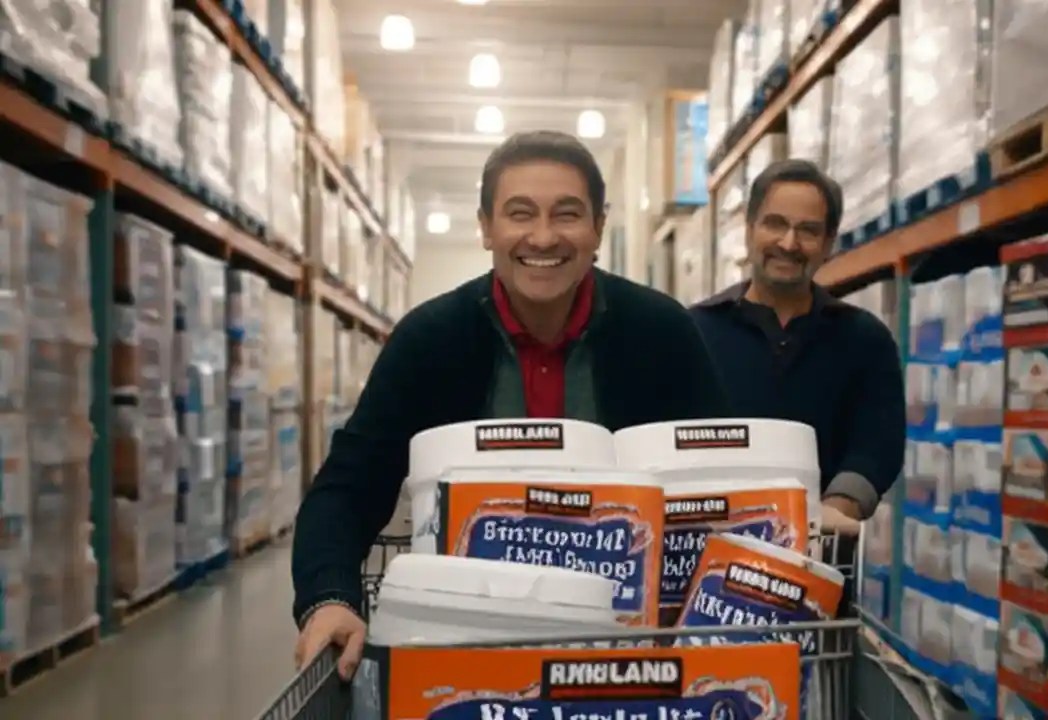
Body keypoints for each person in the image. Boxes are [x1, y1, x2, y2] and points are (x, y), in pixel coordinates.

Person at [292, 130, 731, 678]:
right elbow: (347, 489)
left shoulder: (662, 332)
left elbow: (720, 491)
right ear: (486, 228)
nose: (543, 237)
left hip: (628, 658)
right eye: (520, 214)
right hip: (464, 647)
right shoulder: (431, 340)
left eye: (567, 214)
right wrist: (329, 597)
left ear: (598, 226)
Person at [690, 159, 906, 536]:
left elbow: (877, 444)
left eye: (807, 231)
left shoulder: (864, 338)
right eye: (775, 224)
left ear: (828, 244)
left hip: (818, 560)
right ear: (749, 230)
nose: (789, 244)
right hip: (705, 553)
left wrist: (825, 518)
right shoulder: (695, 331)